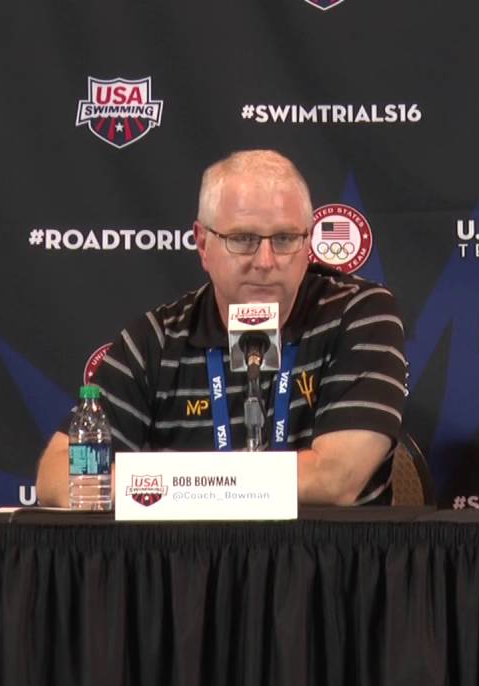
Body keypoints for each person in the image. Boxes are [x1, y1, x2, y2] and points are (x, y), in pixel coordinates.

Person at [36, 150, 407, 506]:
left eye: (284, 239)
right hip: (190, 566)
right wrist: (214, 485)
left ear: (308, 241)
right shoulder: (158, 338)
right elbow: (56, 475)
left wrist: (170, 485)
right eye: (243, 239)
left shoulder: (360, 314)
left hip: (325, 565)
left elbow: (336, 479)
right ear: (202, 243)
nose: (265, 262)